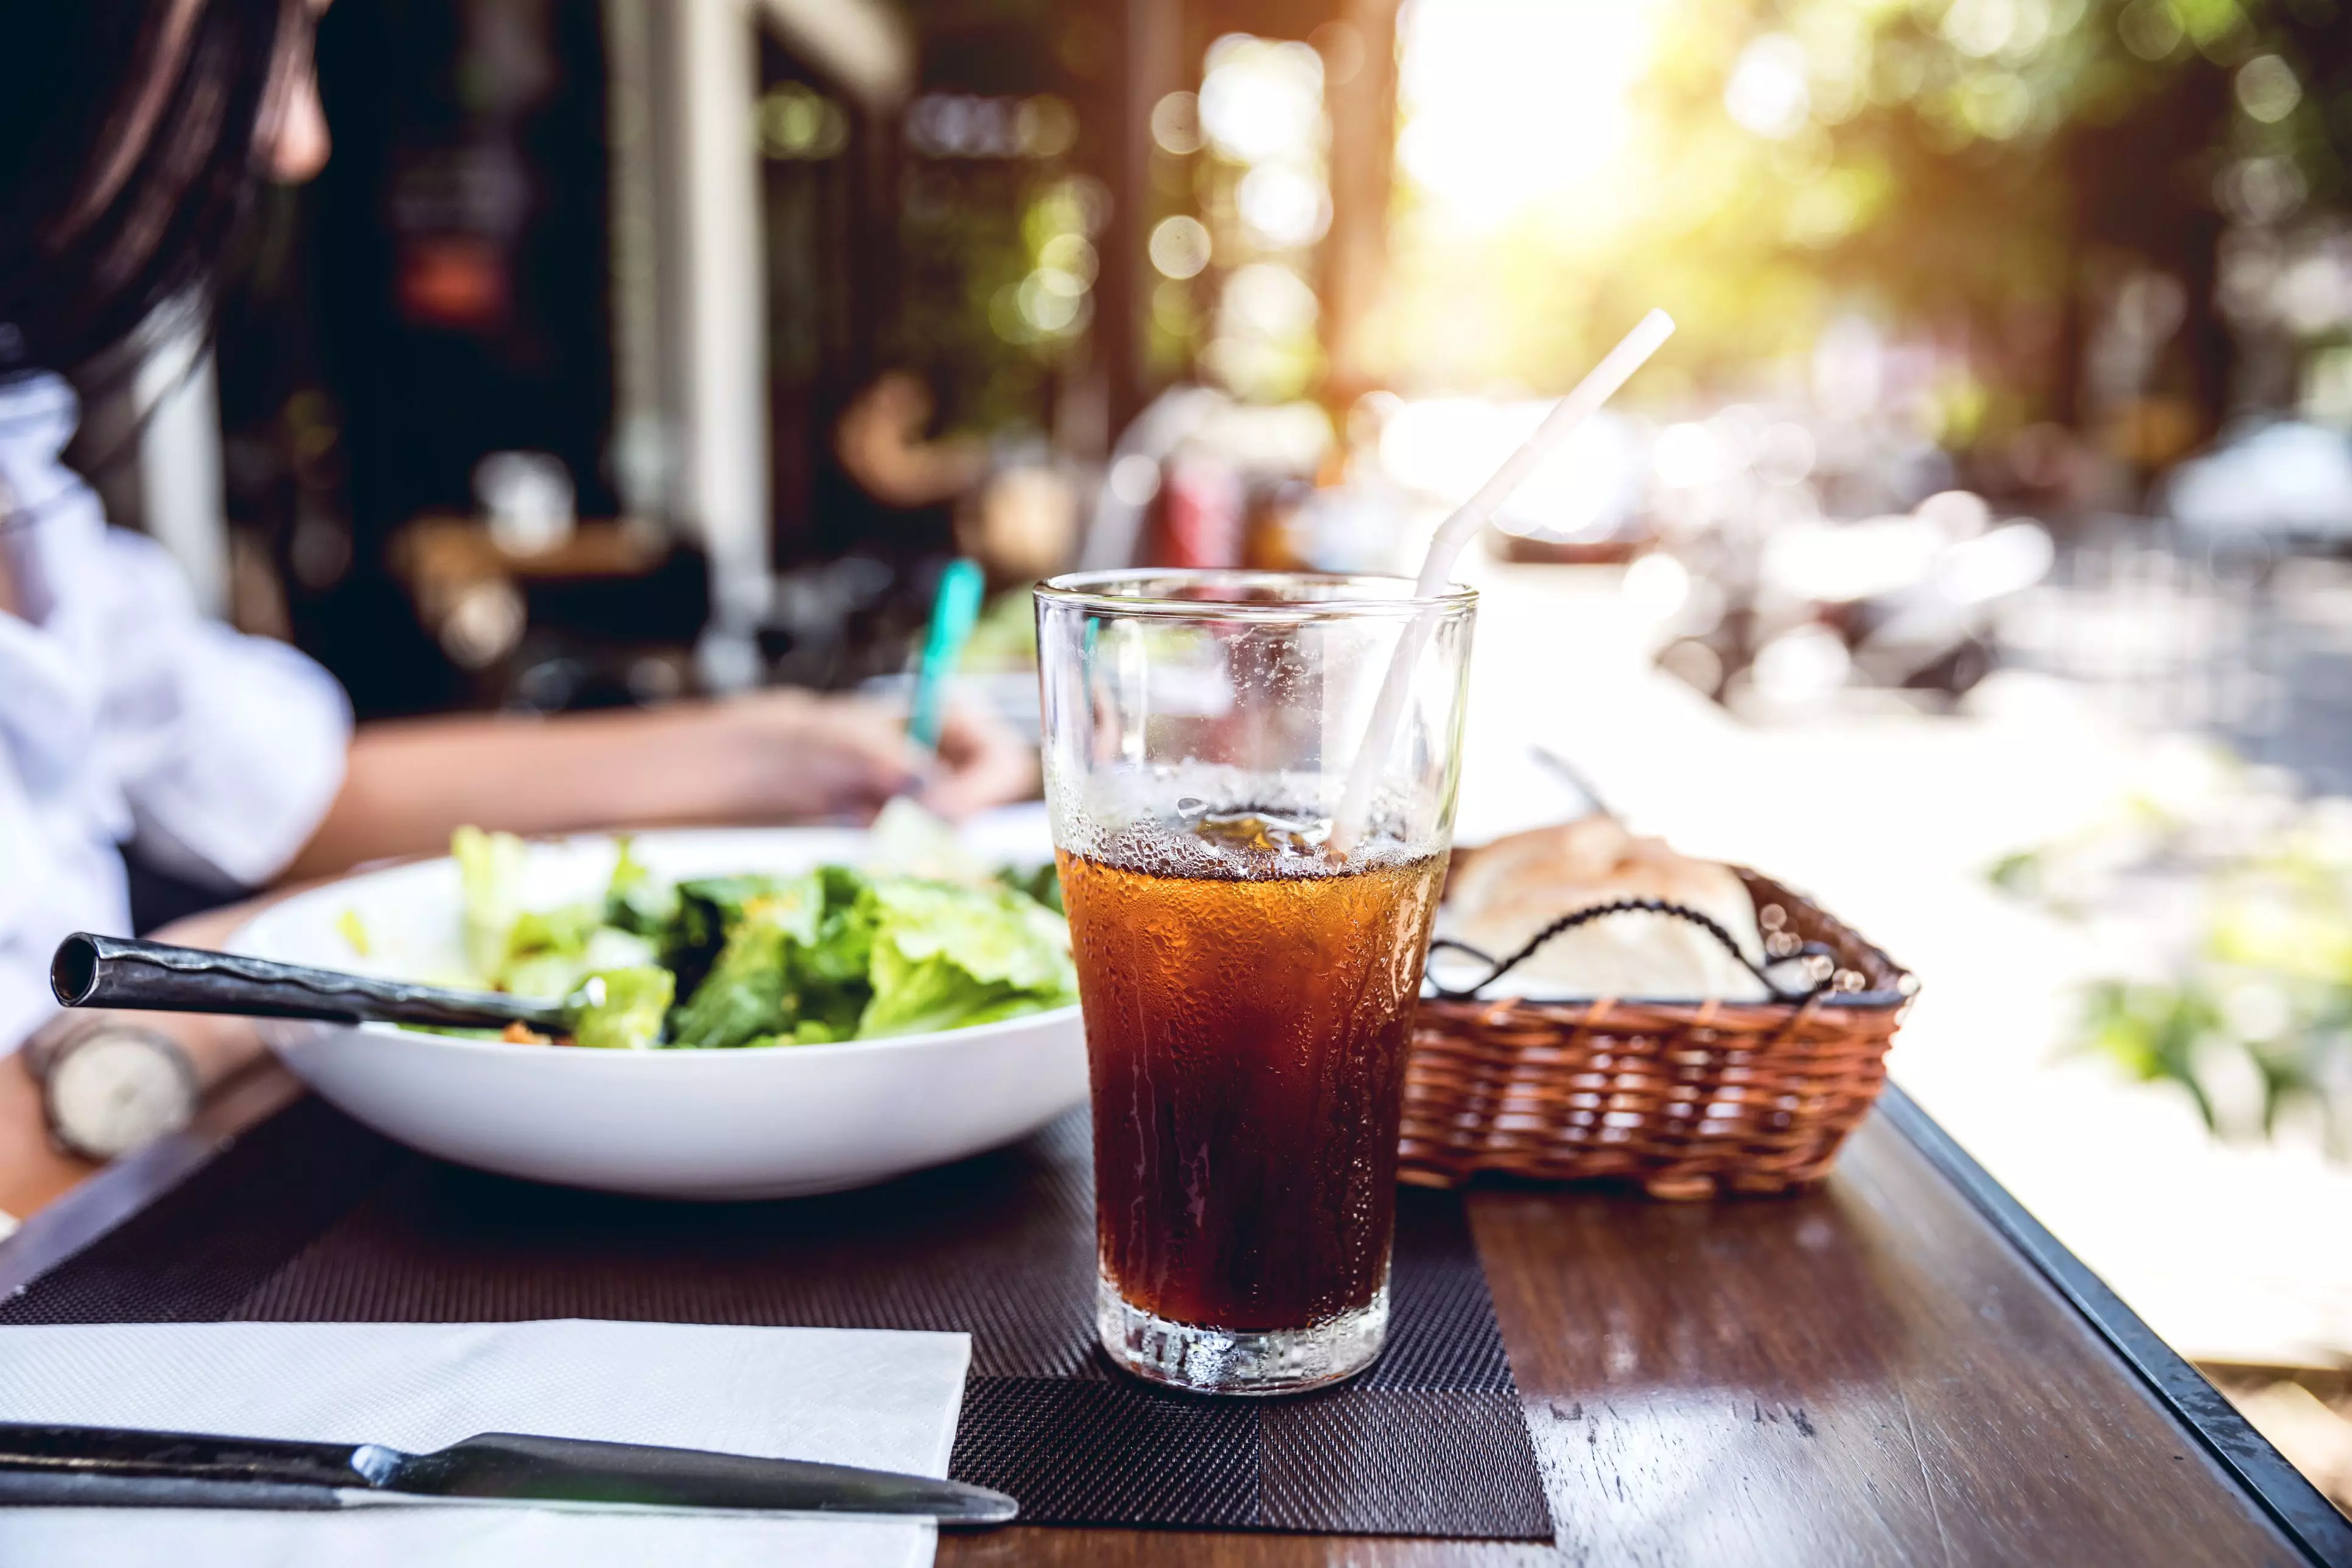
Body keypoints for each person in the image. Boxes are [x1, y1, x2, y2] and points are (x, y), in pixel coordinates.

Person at [0, 0, 1034, 1213]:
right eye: (270, 37)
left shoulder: (26, 485)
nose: (298, 142)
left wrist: (795, 753)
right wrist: (225, 999)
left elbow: (300, 791)